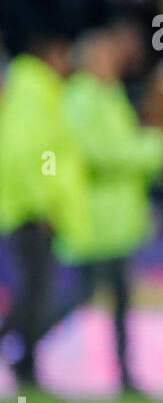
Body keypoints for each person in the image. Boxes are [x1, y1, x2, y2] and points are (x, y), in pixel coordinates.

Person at [54, 28, 163, 390]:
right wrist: (152, 148)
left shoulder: (108, 96)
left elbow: (115, 146)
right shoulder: (81, 99)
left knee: (117, 297)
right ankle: (22, 342)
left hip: (117, 219)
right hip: (96, 218)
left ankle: (125, 373)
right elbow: (96, 152)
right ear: (89, 61)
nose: (113, 61)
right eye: (106, 55)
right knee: (87, 292)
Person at [0, 36, 92, 384]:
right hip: (30, 211)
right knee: (34, 293)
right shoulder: (34, 96)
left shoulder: (33, 94)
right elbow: (36, 157)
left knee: (37, 293)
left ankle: (27, 368)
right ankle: (24, 363)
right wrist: (44, 203)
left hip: (29, 207)